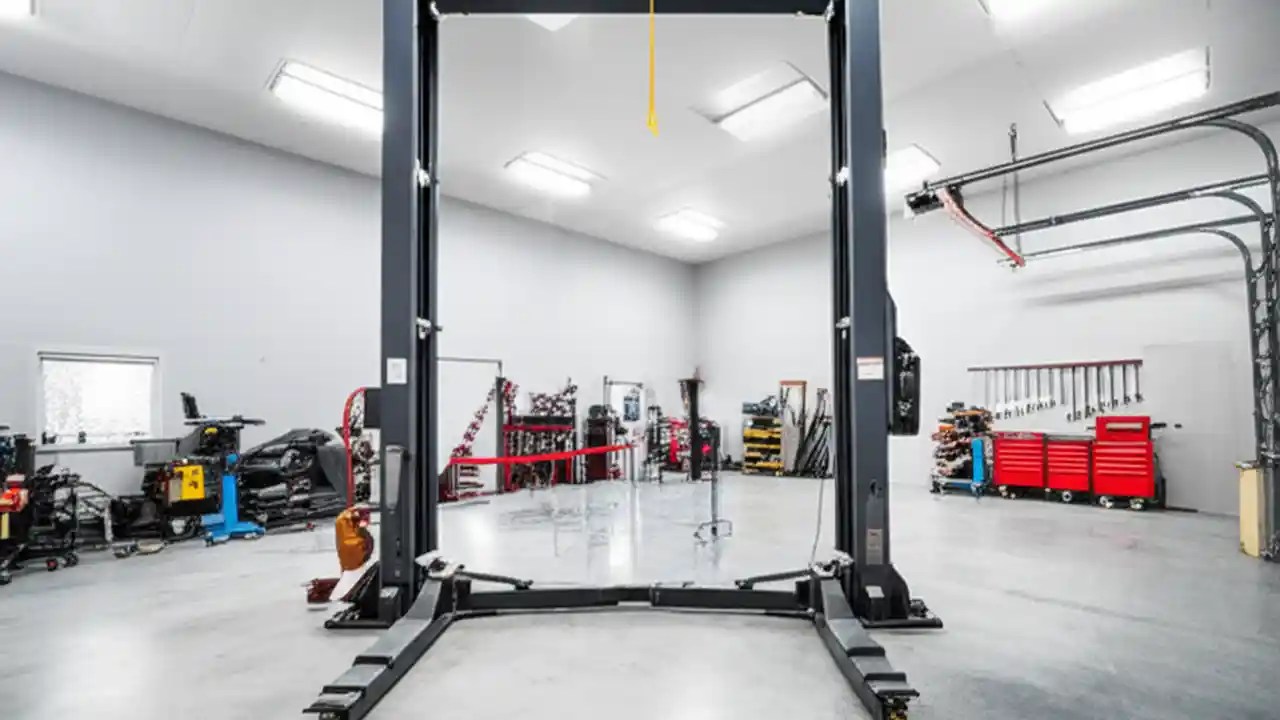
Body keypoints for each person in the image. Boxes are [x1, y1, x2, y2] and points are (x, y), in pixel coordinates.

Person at [307, 504, 374, 605]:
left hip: (345, 550)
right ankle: (325, 589)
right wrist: (368, 546)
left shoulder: (344, 517)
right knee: (354, 578)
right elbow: (363, 530)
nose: (368, 515)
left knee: (350, 576)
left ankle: (321, 586)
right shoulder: (356, 517)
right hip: (354, 551)